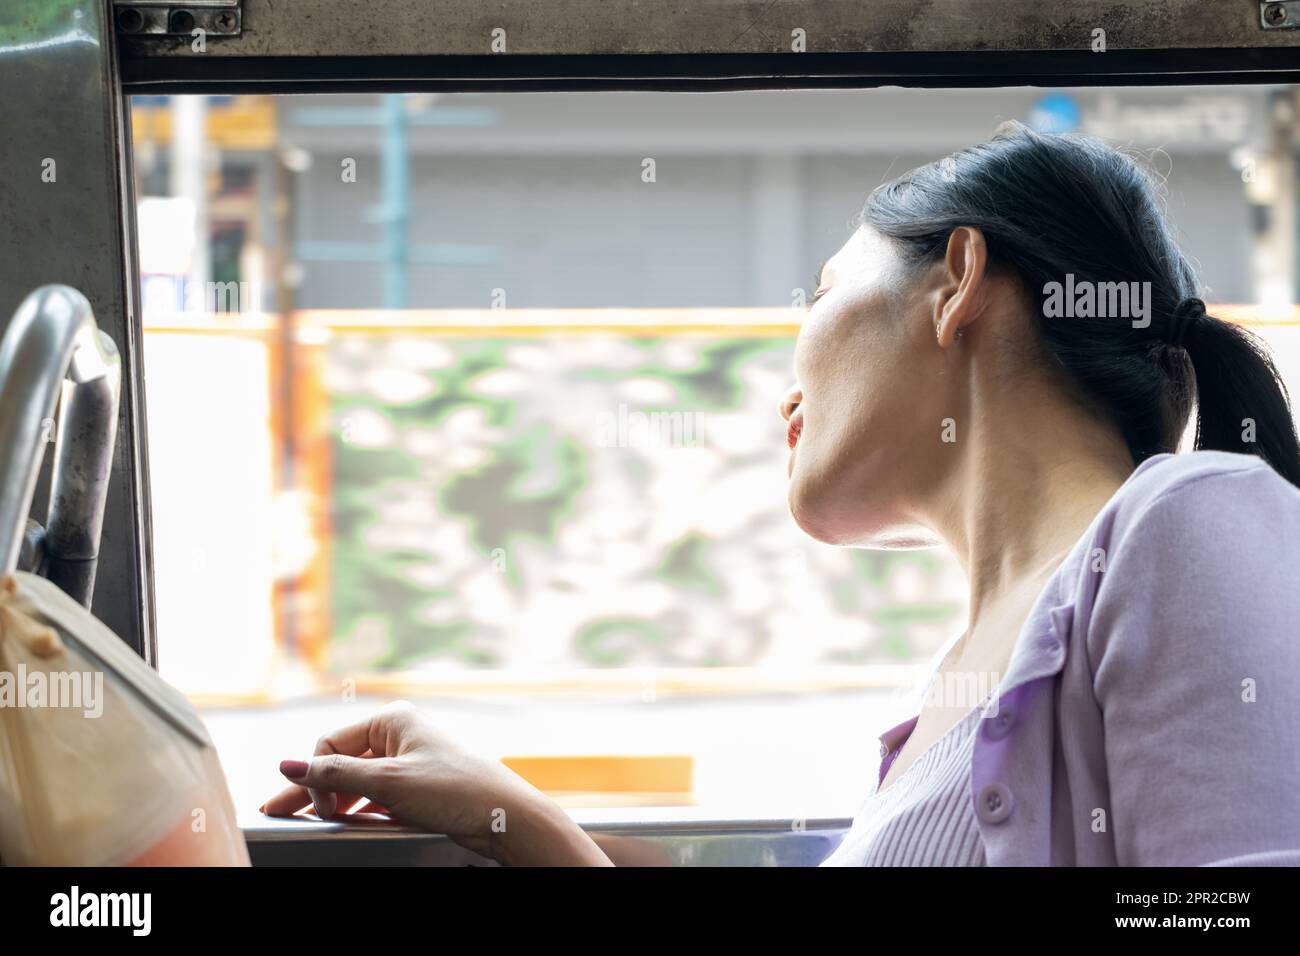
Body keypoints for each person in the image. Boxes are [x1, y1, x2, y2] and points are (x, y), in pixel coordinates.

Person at [262, 121, 1300, 866]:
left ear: (957, 283)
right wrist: (509, 811)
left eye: (819, 293)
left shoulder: (1183, 524)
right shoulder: (942, 693)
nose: (783, 388)